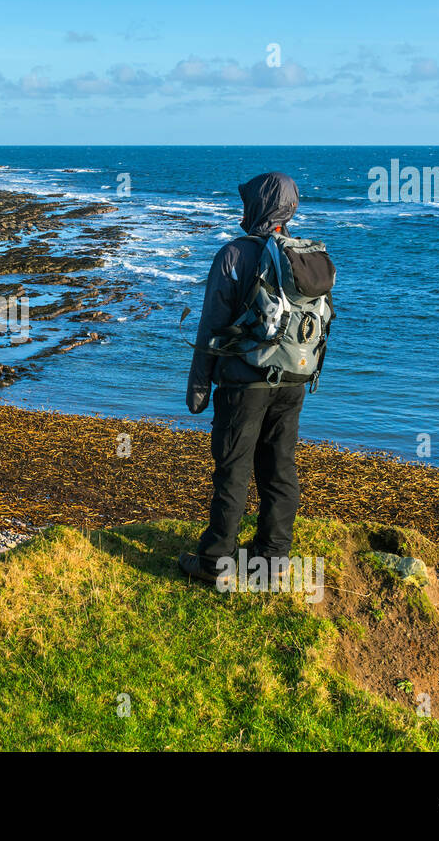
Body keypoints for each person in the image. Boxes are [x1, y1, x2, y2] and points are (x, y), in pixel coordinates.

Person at [180, 171, 322, 585]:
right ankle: (272, 560)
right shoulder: (305, 256)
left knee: (233, 469)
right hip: (293, 379)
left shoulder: (233, 255)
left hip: (244, 384)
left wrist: (198, 388)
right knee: (280, 468)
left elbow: (210, 326)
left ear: (257, 206)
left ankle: (215, 563)